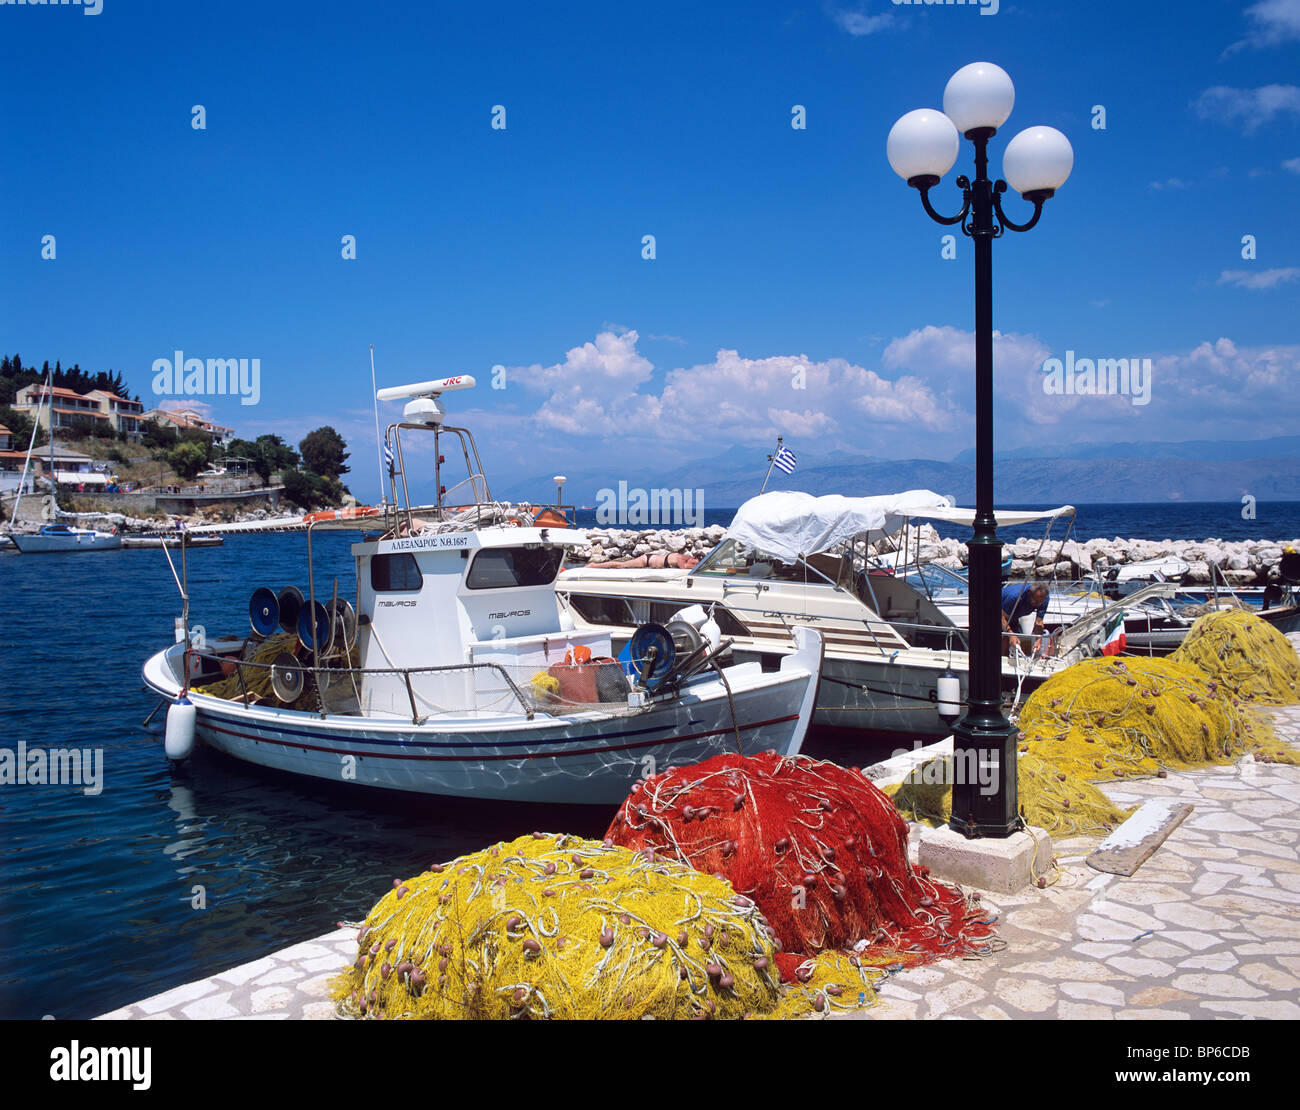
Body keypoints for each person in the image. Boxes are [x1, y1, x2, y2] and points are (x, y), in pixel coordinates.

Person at [1001, 582, 1050, 655]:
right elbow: (1002, 618)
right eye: (1035, 600)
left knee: (1016, 640)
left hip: (1014, 614)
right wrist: (1011, 635)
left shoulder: (1043, 599)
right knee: (1005, 638)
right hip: (999, 610)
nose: (1037, 604)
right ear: (1029, 592)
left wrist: (1038, 640)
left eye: (1040, 602)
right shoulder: (1015, 596)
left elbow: (1039, 622)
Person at [586, 551, 699, 570]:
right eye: (694, 563)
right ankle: (594, 565)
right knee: (620, 565)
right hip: (646, 560)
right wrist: (695, 567)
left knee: (620, 565)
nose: (694, 564)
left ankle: (595, 565)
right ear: (692, 558)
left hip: (650, 559)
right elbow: (684, 567)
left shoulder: (685, 559)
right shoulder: (681, 558)